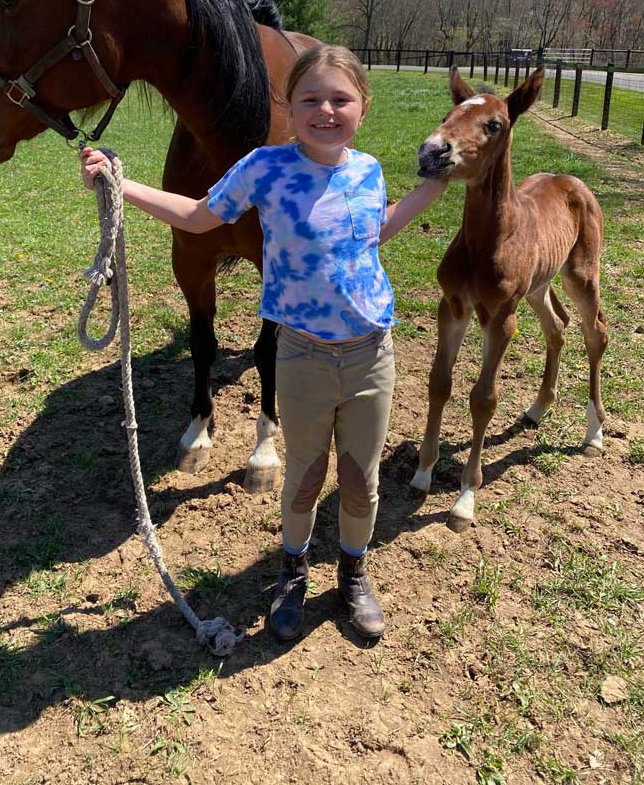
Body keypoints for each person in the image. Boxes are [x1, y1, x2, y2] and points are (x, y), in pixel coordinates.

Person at [80, 44, 448, 641]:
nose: (325, 110)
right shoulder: (265, 168)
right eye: (311, 99)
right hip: (300, 353)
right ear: (290, 105)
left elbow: (375, 231)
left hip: (370, 353)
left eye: (340, 99)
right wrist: (125, 185)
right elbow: (201, 216)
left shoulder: (368, 170)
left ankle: (352, 575)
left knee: (361, 479)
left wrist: (432, 188)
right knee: (305, 474)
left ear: (363, 107)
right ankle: (294, 571)